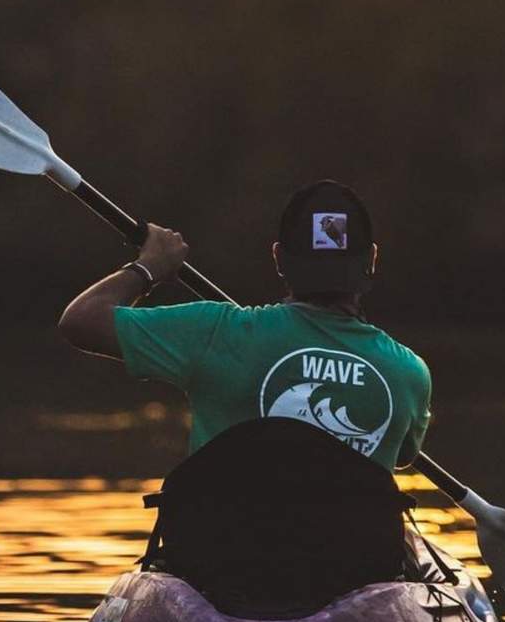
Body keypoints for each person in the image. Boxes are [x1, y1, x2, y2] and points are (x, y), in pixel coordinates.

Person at [58, 179, 432, 471]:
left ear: (278, 259)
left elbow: (81, 320)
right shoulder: (408, 373)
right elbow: (401, 457)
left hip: (223, 557)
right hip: (355, 562)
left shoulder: (214, 332)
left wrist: (150, 267)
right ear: (371, 260)